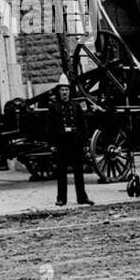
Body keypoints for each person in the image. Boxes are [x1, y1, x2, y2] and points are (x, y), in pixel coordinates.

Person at [47, 74, 93, 206]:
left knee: (79, 172)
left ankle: (82, 197)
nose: (64, 92)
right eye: (62, 90)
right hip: (61, 143)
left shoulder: (76, 106)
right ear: (59, 92)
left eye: (66, 90)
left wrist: (84, 143)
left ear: (69, 91)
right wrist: (52, 145)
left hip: (75, 142)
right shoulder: (53, 107)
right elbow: (49, 128)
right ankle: (61, 198)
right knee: (61, 172)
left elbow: (83, 125)